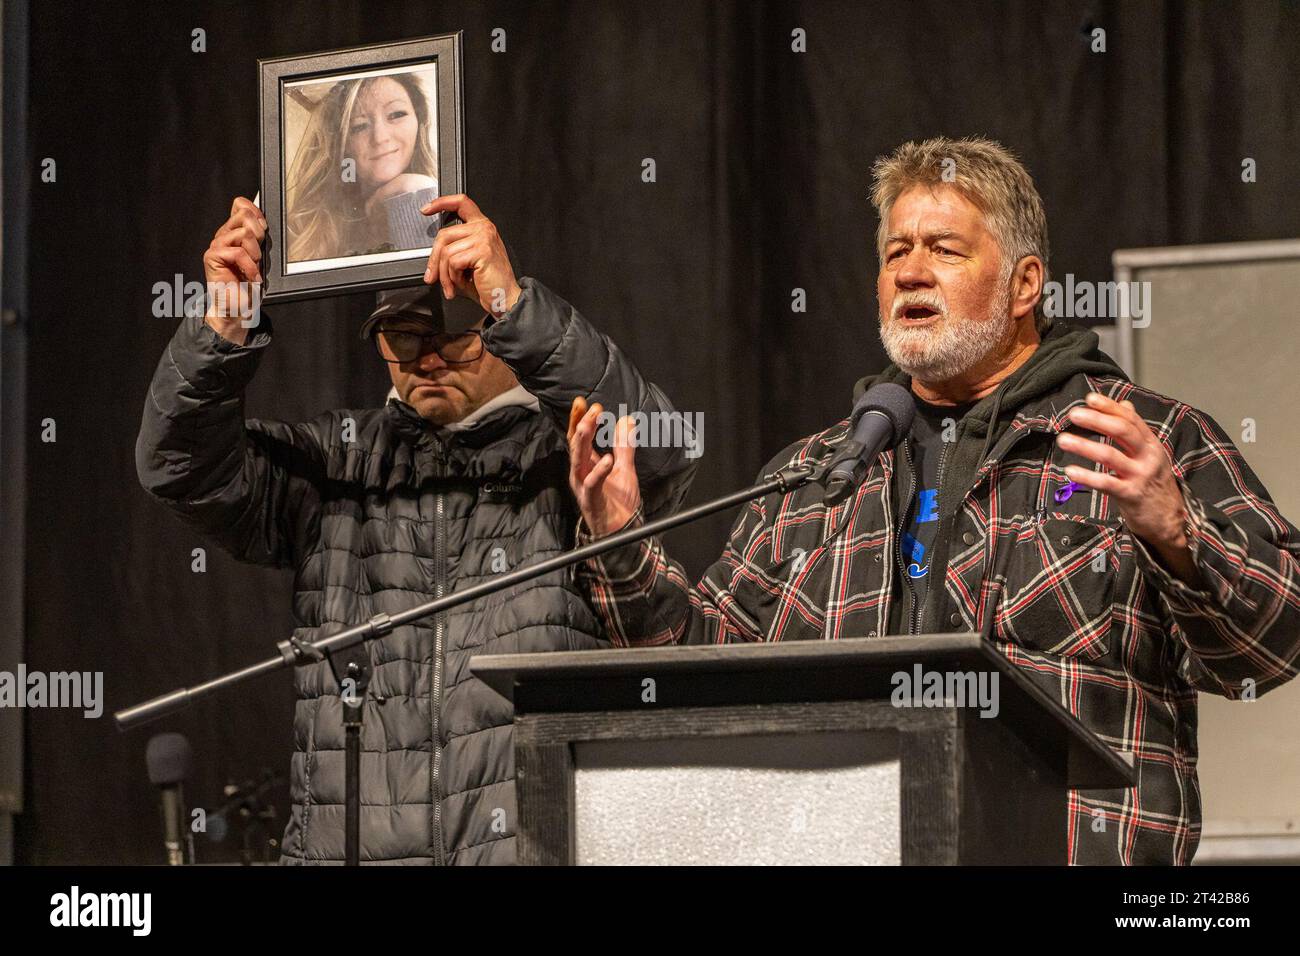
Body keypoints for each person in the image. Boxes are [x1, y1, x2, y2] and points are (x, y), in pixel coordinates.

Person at [568, 136, 1300, 865]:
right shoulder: (817, 475)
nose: (912, 272)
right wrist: (623, 541)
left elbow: (1272, 646)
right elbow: (701, 683)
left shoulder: (1140, 442)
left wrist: (1177, 531)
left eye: (945, 250)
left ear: (1024, 284)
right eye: (895, 254)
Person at [135, 193, 696, 864]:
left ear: (496, 330)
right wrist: (221, 327)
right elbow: (178, 468)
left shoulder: (564, 456)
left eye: (454, 333)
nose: (428, 358)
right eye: (406, 334)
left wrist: (518, 306)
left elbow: (663, 449)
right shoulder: (335, 463)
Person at [285, 70, 439, 262]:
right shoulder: (301, 232)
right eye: (359, 126)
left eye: (396, 114)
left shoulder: (445, 204)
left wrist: (410, 191)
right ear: (342, 146)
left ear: (420, 122)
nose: (380, 137)